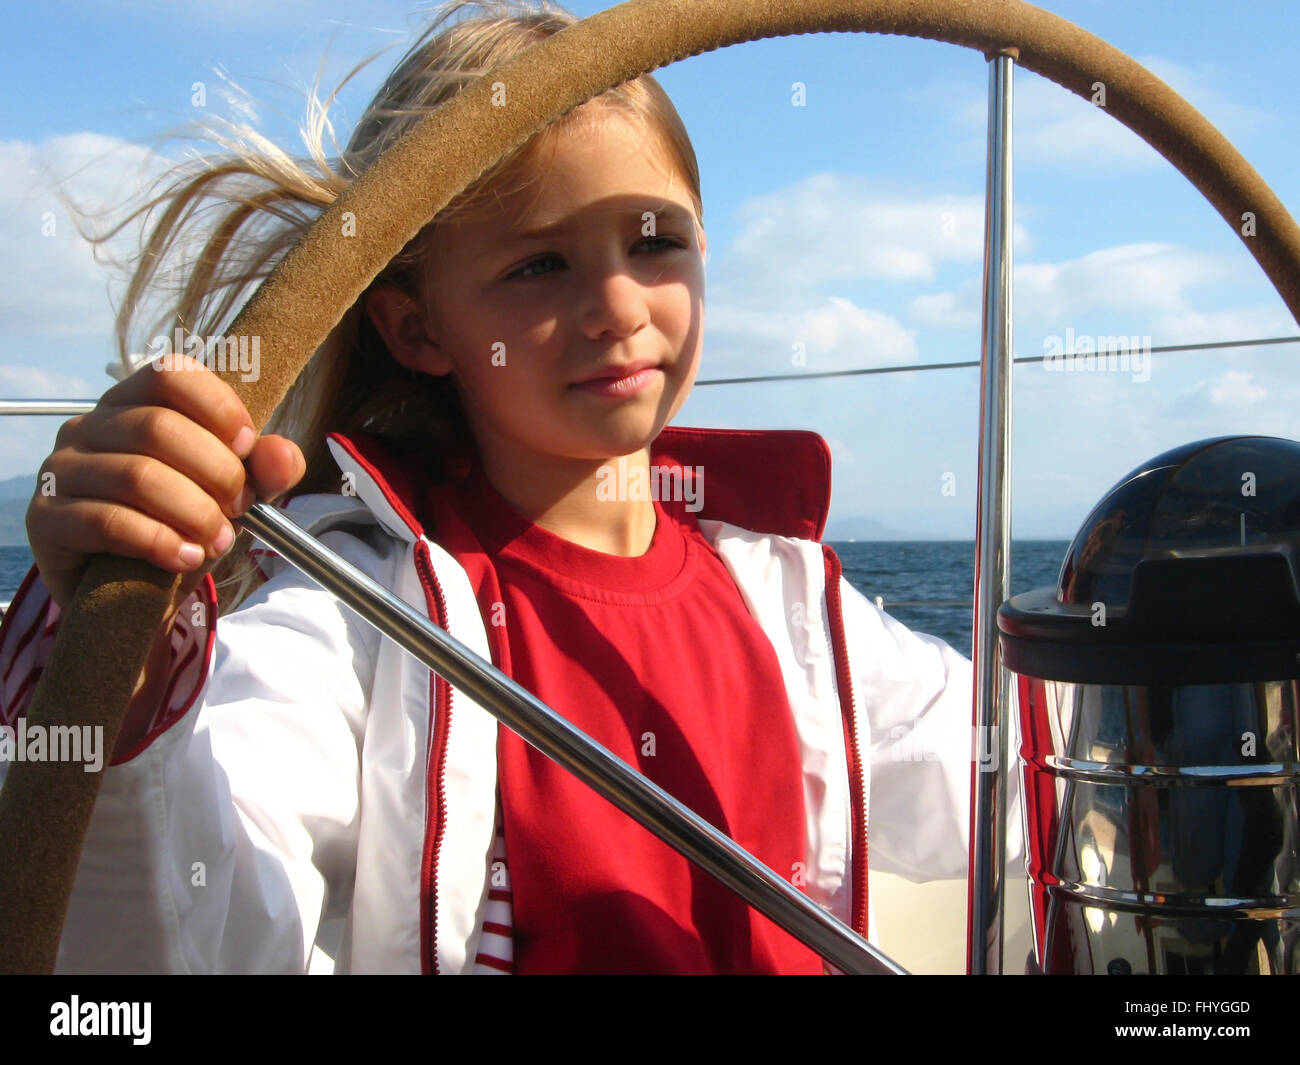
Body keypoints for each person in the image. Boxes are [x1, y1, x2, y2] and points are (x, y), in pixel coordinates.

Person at [2, 0, 1012, 974]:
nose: (617, 307)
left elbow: (1010, 778)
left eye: (654, 241)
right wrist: (119, 684)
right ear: (416, 327)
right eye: (538, 265)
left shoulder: (792, 603)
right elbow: (195, 929)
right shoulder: (360, 618)